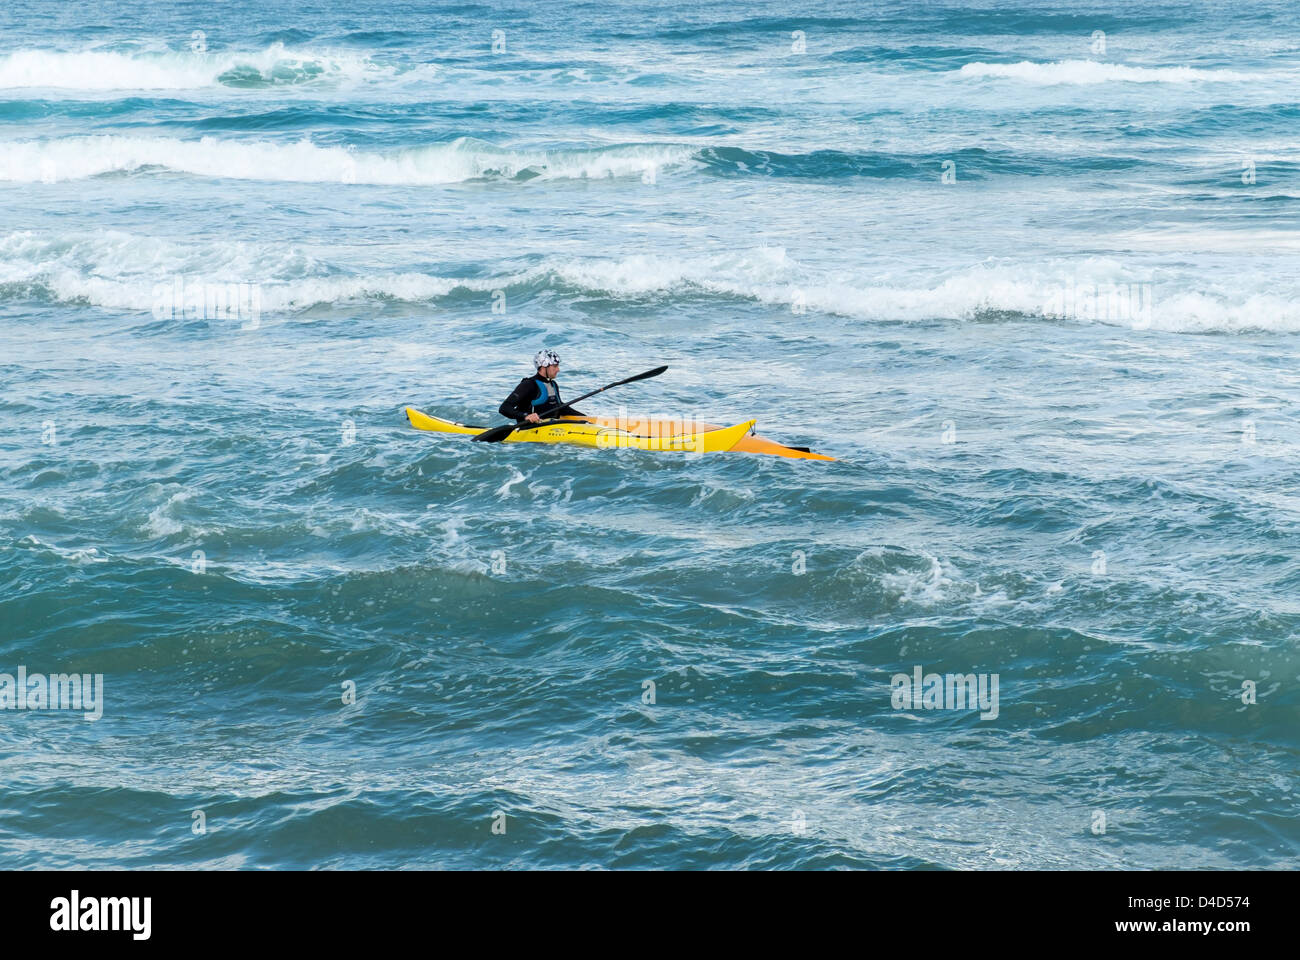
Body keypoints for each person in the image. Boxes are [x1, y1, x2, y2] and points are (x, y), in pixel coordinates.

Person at [498, 349, 585, 423]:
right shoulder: (528, 384)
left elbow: (560, 407)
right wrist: (526, 416)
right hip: (530, 431)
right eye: (555, 366)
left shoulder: (553, 384)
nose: (558, 369)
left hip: (551, 427)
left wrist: (585, 418)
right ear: (543, 367)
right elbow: (504, 408)